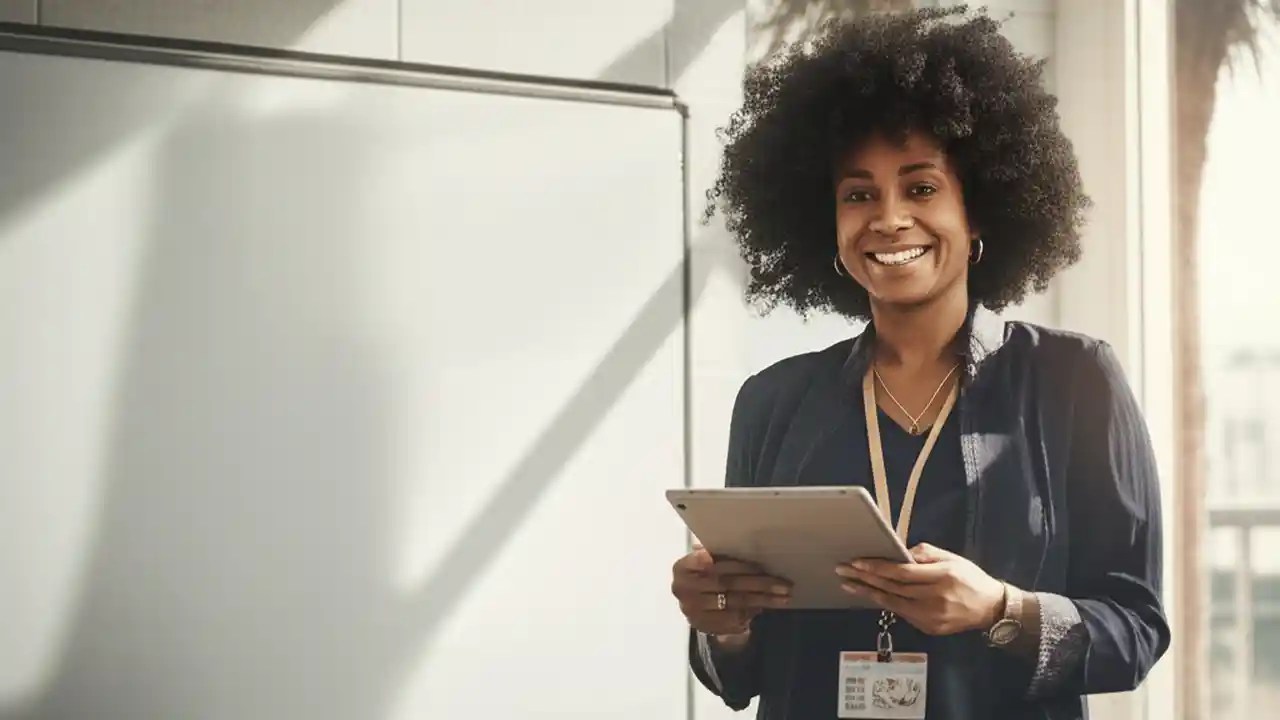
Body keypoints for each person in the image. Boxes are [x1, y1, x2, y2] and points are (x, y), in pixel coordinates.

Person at [669, 7, 1169, 720]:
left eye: (922, 187)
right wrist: (722, 620)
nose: (889, 218)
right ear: (827, 223)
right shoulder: (772, 400)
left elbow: (1138, 630)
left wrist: (1001, 609)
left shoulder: (1074, 380)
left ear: (980, 214)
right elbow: (738, 676)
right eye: (858, 194)